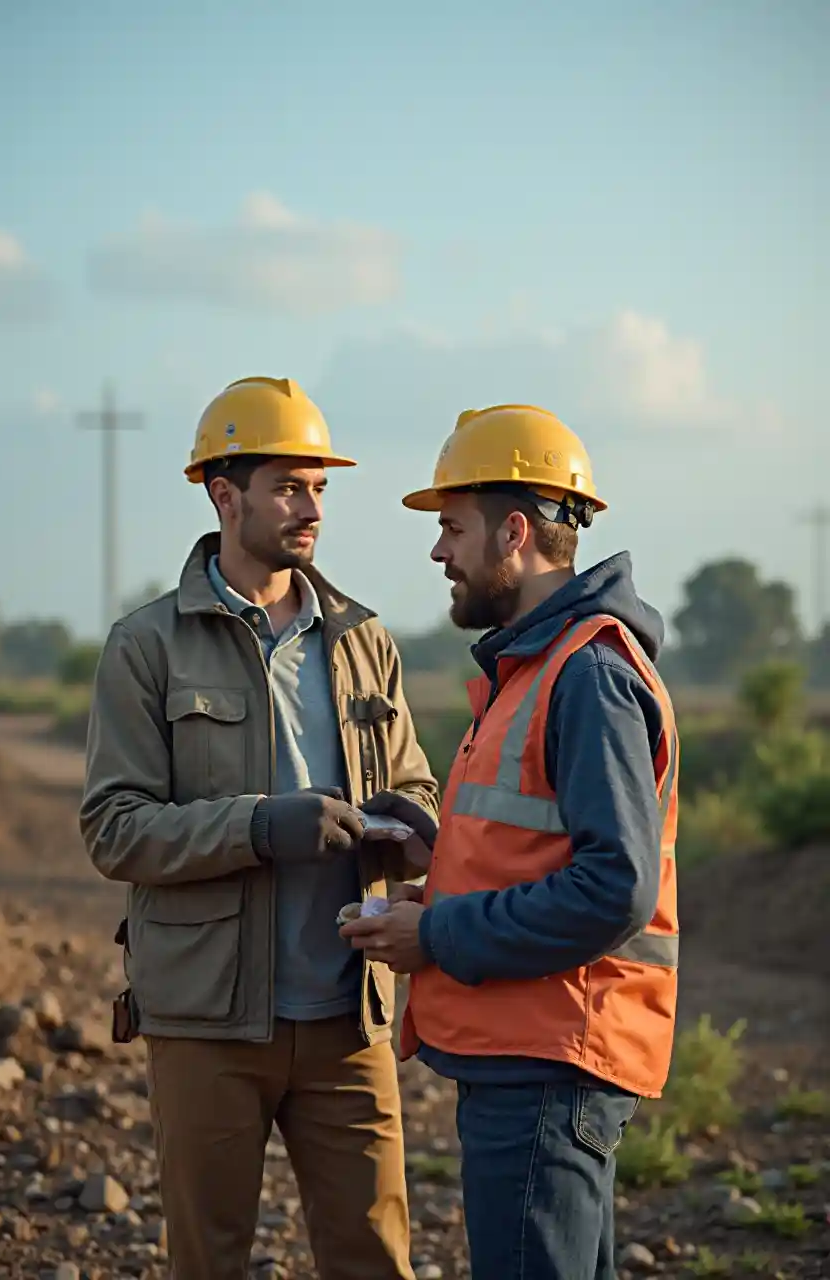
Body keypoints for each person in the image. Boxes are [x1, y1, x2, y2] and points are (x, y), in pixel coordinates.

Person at [79, 375, 438, 1280]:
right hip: (207, 1021)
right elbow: (116, 829)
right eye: (287, 487)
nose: (310, 508)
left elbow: (415, 782)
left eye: (318, 487)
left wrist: (414, 828)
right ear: (223, 495)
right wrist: (261, 827)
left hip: (348, 1016)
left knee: (376, 1261)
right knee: (210, 1262)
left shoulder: (364, 640)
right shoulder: (148, 646)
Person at [341, 404, 679, 1280]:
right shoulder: (538, 667)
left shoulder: (586, 675)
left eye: (454, 528)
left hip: (548, 1061)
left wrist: (435, 934)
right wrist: (434, 877)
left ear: (515, 533)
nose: (438, 551)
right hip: (535, 1056)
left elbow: (614, 889)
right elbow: (536, 851)